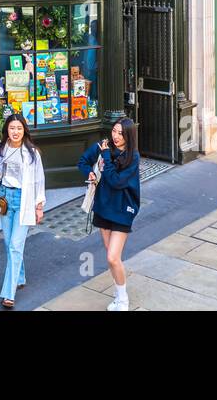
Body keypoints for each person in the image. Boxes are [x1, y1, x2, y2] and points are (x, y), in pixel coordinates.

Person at [78, 117, 142, 311]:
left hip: (123, 210)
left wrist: (106, 156)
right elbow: (82, 161)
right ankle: (118, 292)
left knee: (113, 257)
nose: (116, 136)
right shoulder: (102, 147)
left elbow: (115, 181)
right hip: (104, 207)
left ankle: (123, 300)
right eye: (114, 131)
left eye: (121, 133)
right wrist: (88, 171)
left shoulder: (133, 157)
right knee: (110, 257)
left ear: (129, 136)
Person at [0, 113, 46, 309]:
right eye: (12, 128)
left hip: (24, 200)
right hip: (5, 199)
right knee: (10, 243)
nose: (15, 132)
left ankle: (8, 293)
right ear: (7, 130)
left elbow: (39, 180)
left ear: (24, 130)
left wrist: (39, 206)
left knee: (15, 246)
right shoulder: (1, 148)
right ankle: (20, 277)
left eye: (19, 128)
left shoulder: (32, 153)